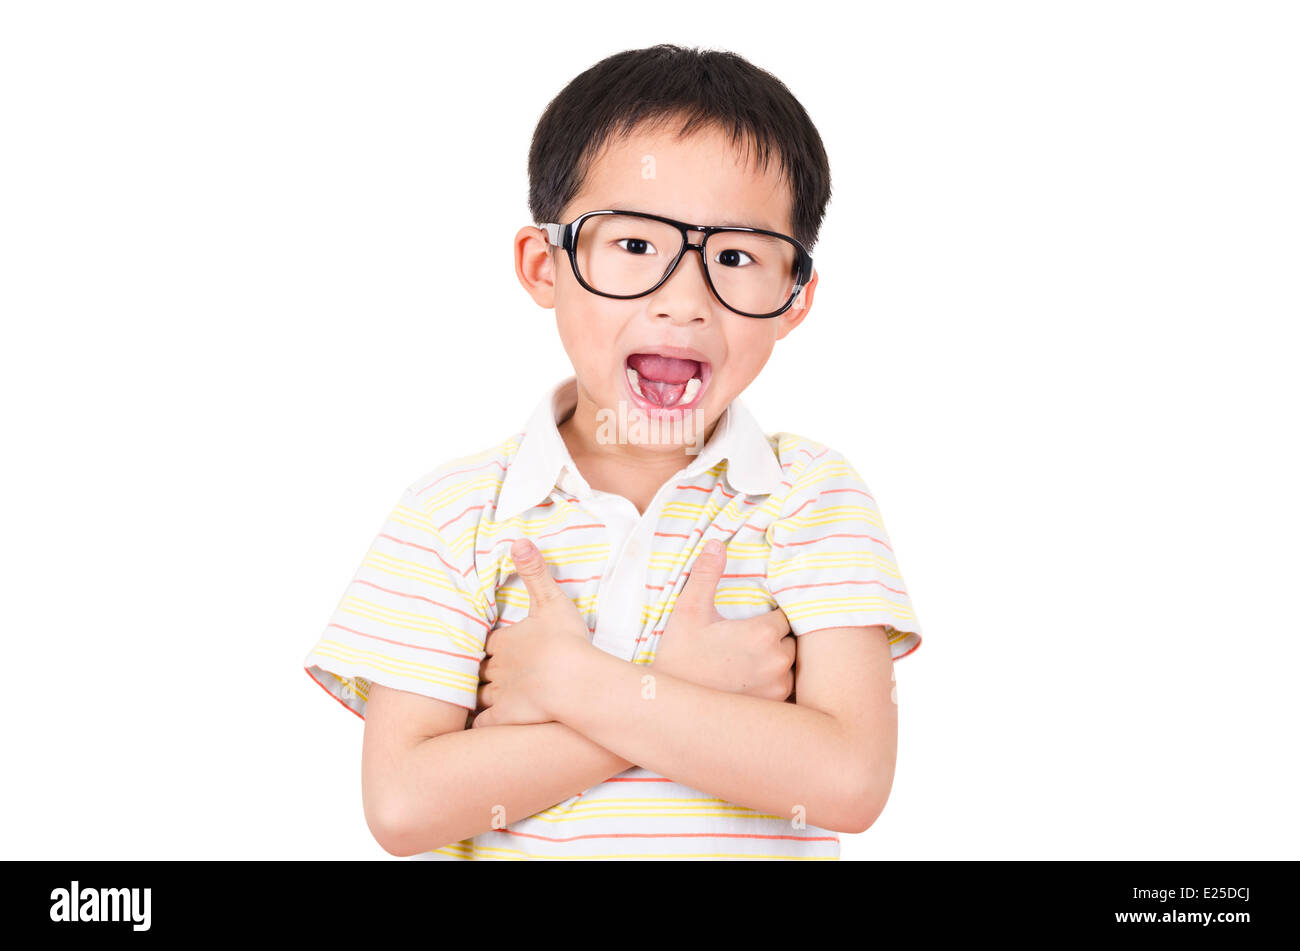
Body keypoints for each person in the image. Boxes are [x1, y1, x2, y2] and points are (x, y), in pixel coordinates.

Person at [302, 43, 923, 860]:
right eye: (634, 246)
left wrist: (572, 684)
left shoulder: (811, 498)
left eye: (736, 258)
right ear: (543, 266)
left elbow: (848, 780)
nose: (683, 301)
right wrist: (686, 692)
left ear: (794, 298)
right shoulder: (455, 513)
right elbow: (403, 805)